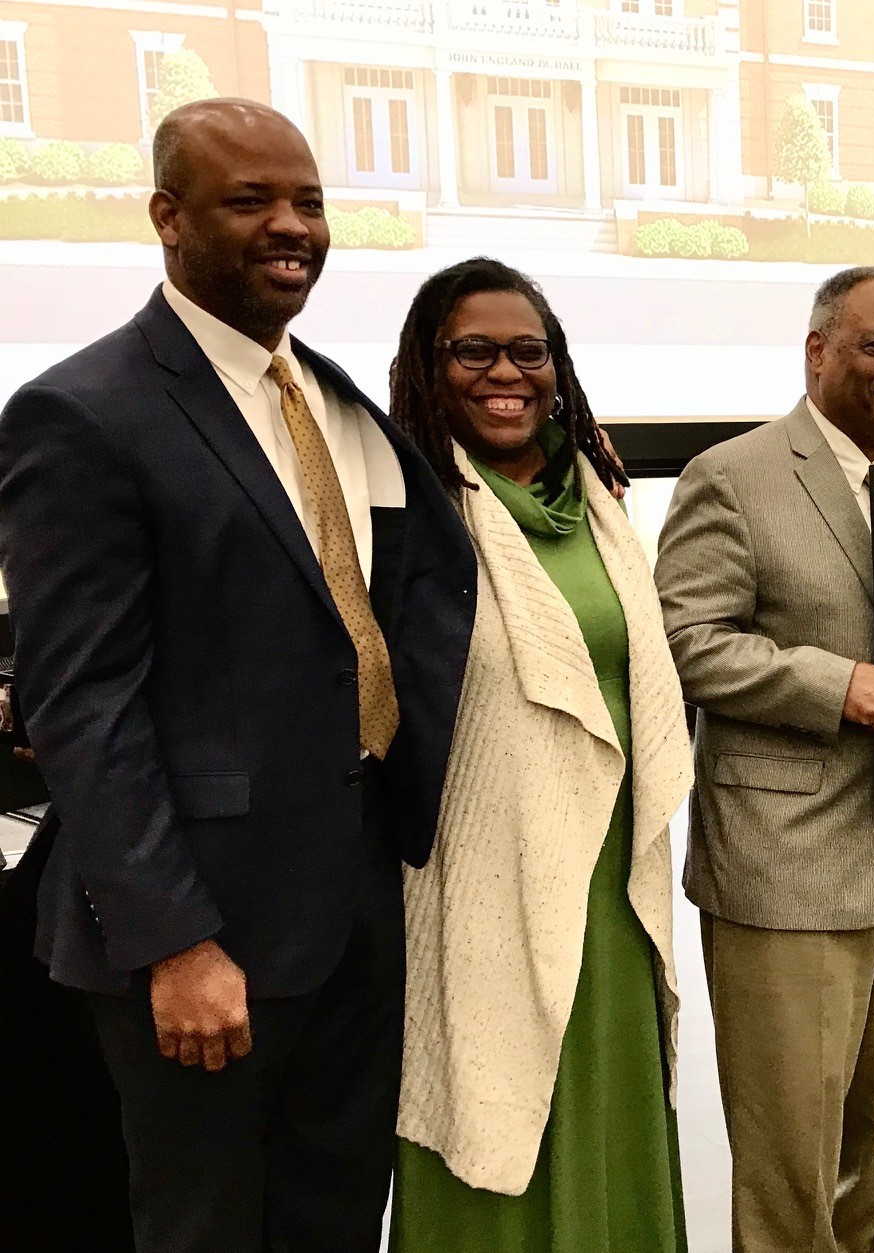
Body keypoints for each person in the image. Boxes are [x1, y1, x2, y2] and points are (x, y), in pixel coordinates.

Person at [0, 100, 475, 1252]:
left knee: (332, 1209)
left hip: (355, 900)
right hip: (202, 930)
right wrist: (175, 940)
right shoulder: (82, 412)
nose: (291, 225)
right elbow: (83, 703)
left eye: (307, 200)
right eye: (249, 199)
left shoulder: (323, 392)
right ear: (167, 218)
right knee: (204, 1224)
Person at [385, 257, 692, 1252]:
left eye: (529, 349)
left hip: (609, 889)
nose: (503, 371)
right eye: (471, 350)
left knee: (607, 1118)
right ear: (427, 368)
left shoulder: (600, 498)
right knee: (493, 1116)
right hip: (477, 888)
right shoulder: (399, 508)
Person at [655, 265, 874, 1253]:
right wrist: (834, 682)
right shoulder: (731, 475)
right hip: (784, 860)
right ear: (817, 349)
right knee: (790, 1160)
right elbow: (685, 639)